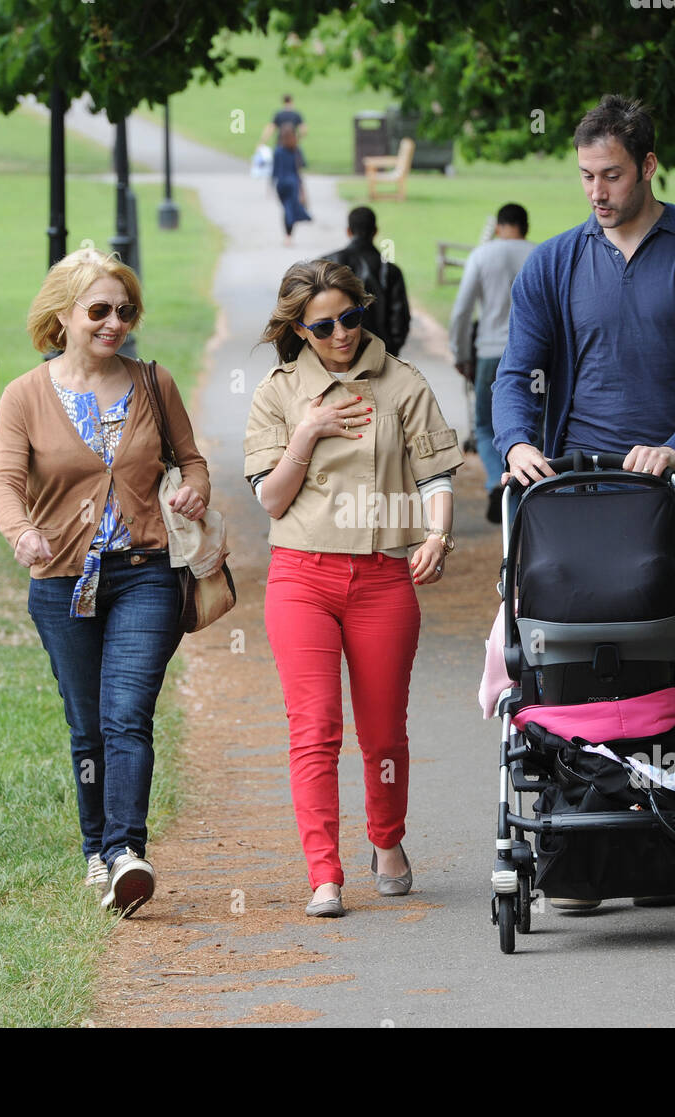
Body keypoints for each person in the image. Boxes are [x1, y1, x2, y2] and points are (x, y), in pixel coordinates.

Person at [0, 248, 212, 917]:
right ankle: (96, 847)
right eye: (100, 310)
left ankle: (125, 853)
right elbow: (4, 480)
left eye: (125, 310)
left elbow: (191, 459)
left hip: (144, 574)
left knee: (126, 716)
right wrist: (21, 532)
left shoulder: (152, 382)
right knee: (87, 726)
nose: (115, 322)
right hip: (61, 583)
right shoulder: (26, 395)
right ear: (63, 314)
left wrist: (195, 489)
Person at [243, 260, 464, 918]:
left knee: (384, 732)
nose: (341, 333)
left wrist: (436, 535)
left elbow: (436, 477)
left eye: (351, 317)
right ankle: (325, 872)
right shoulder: (279, 392)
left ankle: (387, 841)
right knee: (314, 728)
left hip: (381, 575)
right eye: (324, 325)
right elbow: (272, 500)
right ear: (299, 330)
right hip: (301, 576)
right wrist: (306, 434)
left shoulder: (402, 383)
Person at [492, 94, 675, 605]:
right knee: (576, 640)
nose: (598, 192)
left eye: (612, 175)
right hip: (577, 481)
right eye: (587, 176)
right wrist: (516, 442)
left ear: (648, 165)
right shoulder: (552, 263)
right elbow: (516, 373)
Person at [448, 202, 535, 523]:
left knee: (485, 426)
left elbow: (461, 311)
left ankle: (496, 482)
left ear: (499, 227)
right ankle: (527, 489)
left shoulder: (483, 255)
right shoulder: (540, 253)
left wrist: (460, 354)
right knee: (532, 429)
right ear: (525, 227)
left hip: (489, 353)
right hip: (533, 357)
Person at [322, 206, 411, 356]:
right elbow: (400, 319)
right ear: (375, 231)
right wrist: (390, 351)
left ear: (348, 231)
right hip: (380, 352)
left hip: (335, 353)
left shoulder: (327, 264)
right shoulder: (390, 271)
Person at [271, 123, 312, 246]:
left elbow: (274, 171)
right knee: (290, 208)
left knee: (286, 208)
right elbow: (301, 166)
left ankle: (287, 236)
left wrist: (271, 187)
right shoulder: (296, 150)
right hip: (293, 183)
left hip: (281, 184)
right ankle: (289, 235)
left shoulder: (277, 151)